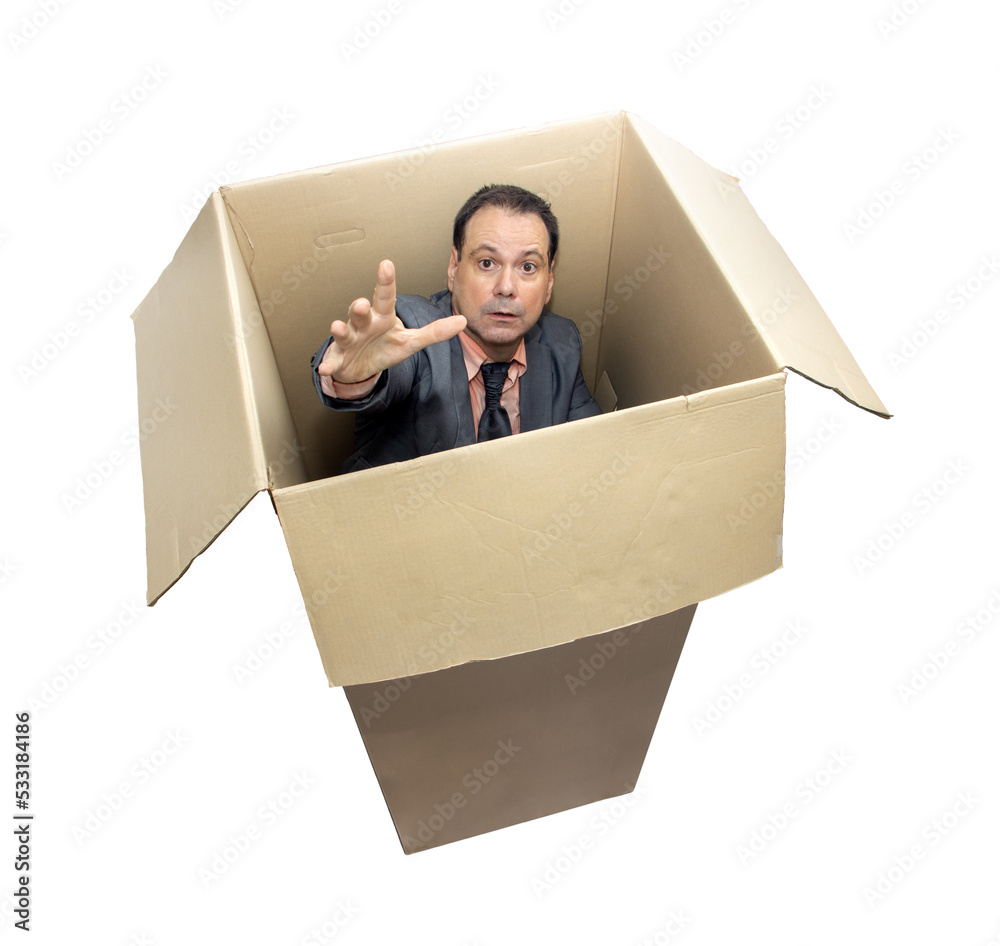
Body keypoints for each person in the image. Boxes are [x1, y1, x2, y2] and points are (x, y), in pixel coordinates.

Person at [311, 184, 601, 472]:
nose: (506, 287)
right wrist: (357, 378)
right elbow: (390, 364)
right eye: (487, 263)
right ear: (454, 268)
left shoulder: (562, 343)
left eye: (528, 267)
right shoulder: (414, 331)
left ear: (548, 284)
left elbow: (596, 449)